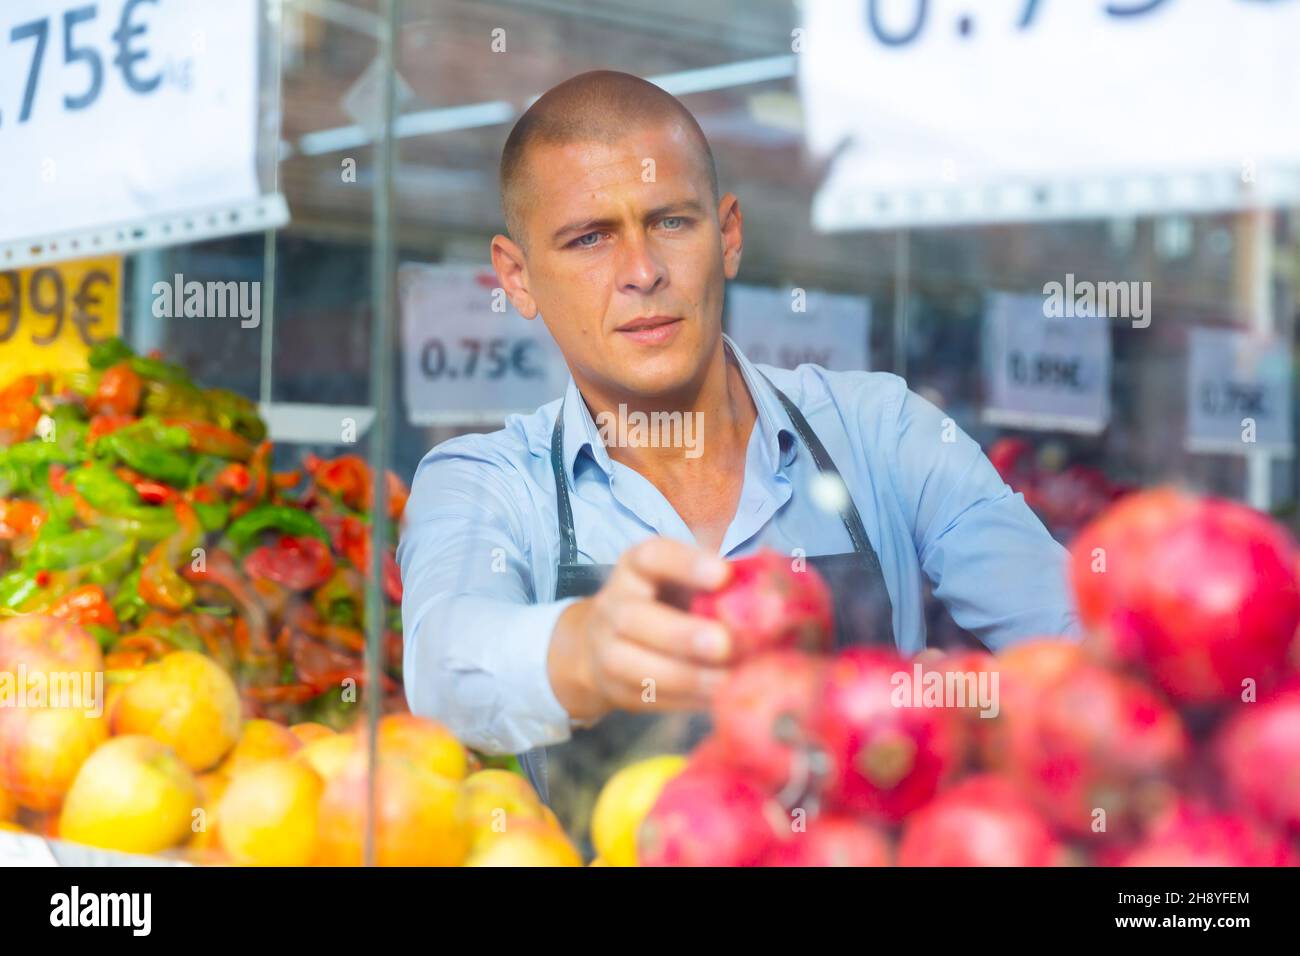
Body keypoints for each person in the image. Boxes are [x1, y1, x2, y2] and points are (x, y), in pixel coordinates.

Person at [397, 71, 1078, 808]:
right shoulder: (485, 481)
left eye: (671, 222)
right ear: (518, 277)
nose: (642, 272)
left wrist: (980, 711)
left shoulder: (882, 429)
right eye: (589, 238)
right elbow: (444, 669)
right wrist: (585, 649)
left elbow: (1072, 640)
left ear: (728, 236)